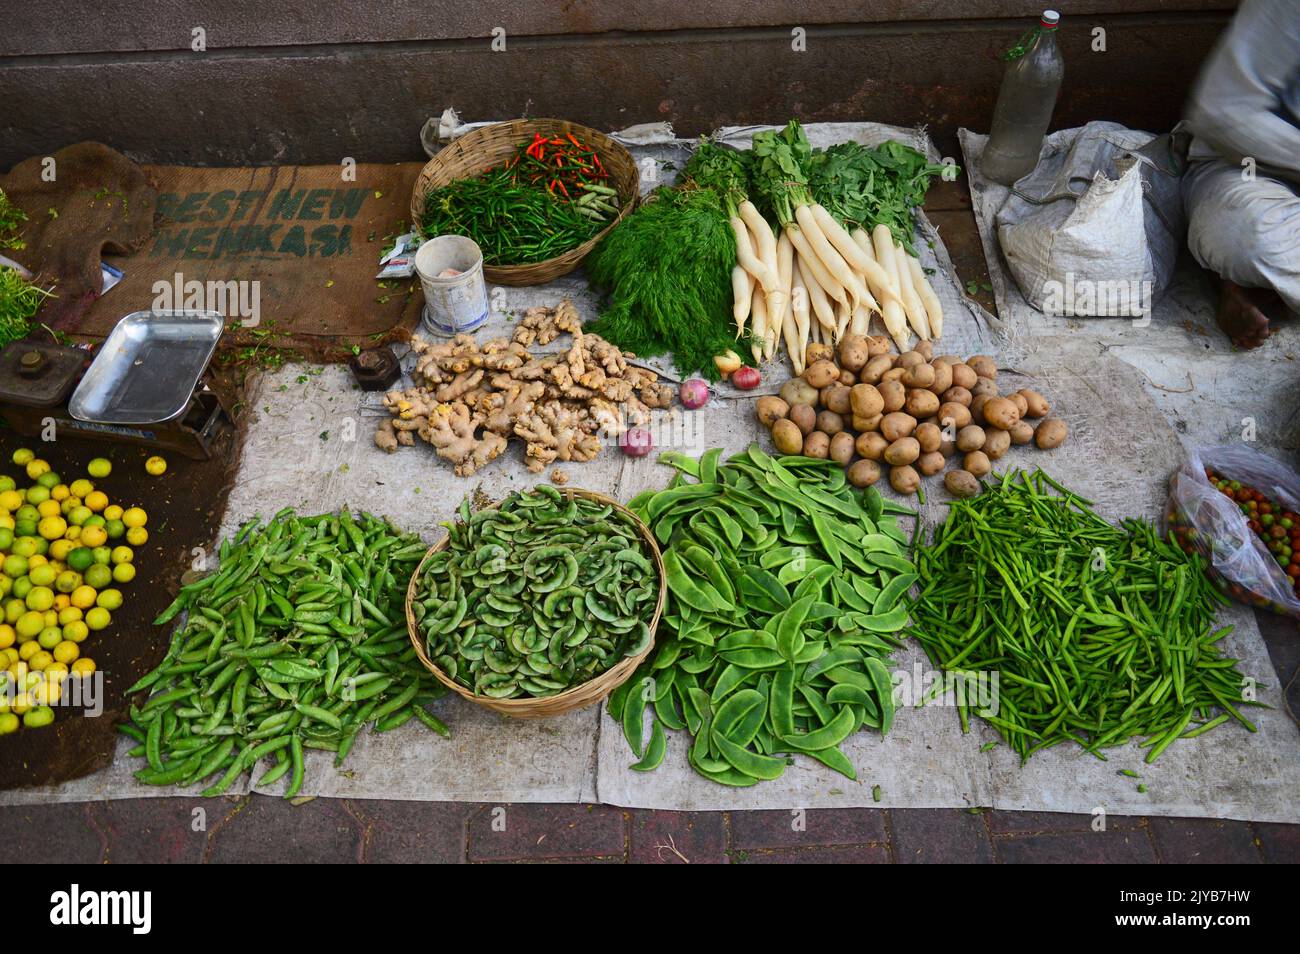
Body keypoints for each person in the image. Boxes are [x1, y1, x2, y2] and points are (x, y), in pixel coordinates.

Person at [1181, 0, 1300, 349]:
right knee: (1250, 236)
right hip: (1252, 169)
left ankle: (1254, 287)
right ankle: (1241, 280)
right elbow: (1223, 114)